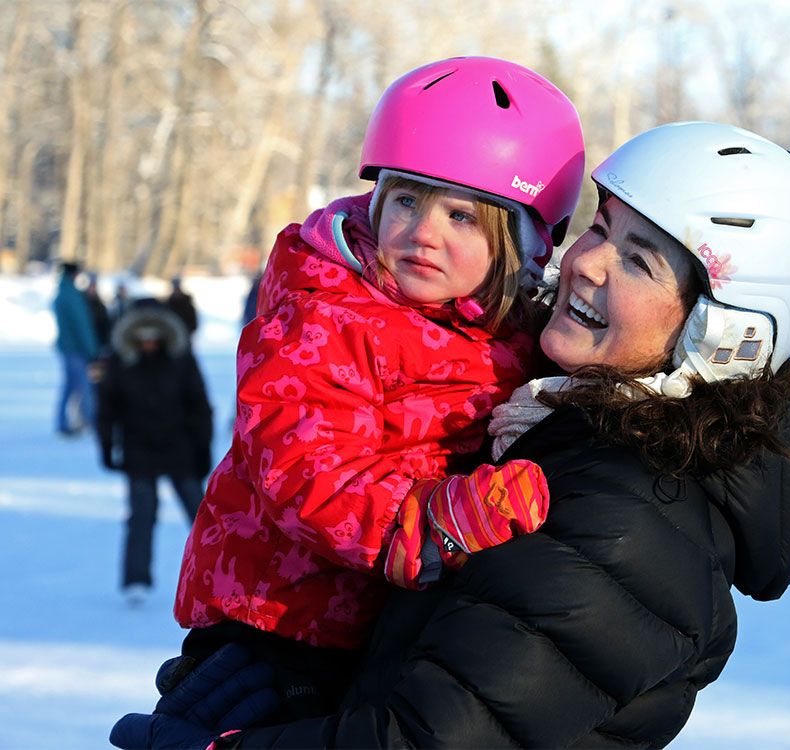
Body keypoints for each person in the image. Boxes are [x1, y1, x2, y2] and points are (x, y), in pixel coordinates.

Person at [111, 121, 790, 749]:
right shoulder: (562, 420)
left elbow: (428, 739)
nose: (584, 262)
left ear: (721, 335)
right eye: (600, 227)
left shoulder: (622, 513)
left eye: (638, 260)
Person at [168, 55, 586, 720]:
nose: (422, 232)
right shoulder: (329, 310)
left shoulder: (515, 336)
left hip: (377, 636)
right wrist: (428, 522)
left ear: (525, 242)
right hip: (276, 634)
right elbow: (300, 466)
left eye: (462, 217)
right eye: (407, 199)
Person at [97, 298, 214, 607]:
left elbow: (200, 406)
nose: (148, 343)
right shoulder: (121, 363)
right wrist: (108, 446)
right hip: (140, 452)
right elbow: (107, 408)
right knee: (141, 516)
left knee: (203, 516)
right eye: (142, 337)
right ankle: (136, 579)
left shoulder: (182, 360)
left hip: (181, 450)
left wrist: (203, 449)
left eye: (154, 336)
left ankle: (219, 572)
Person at [52, 260, 100, 436]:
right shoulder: (71, 295)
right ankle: (90, 422)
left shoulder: (64, 292)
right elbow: (81, 325)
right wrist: (92, 348)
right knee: (83, 386)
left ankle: (63, 422)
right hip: (75, 348)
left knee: (70, 386)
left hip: (68, 347)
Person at [84, 271, 112, 352]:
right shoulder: (83, 302)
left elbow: (105, 321)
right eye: (91, 286)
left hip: (99, 339)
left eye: (94, 286)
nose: (92, 288)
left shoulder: (99, 303)